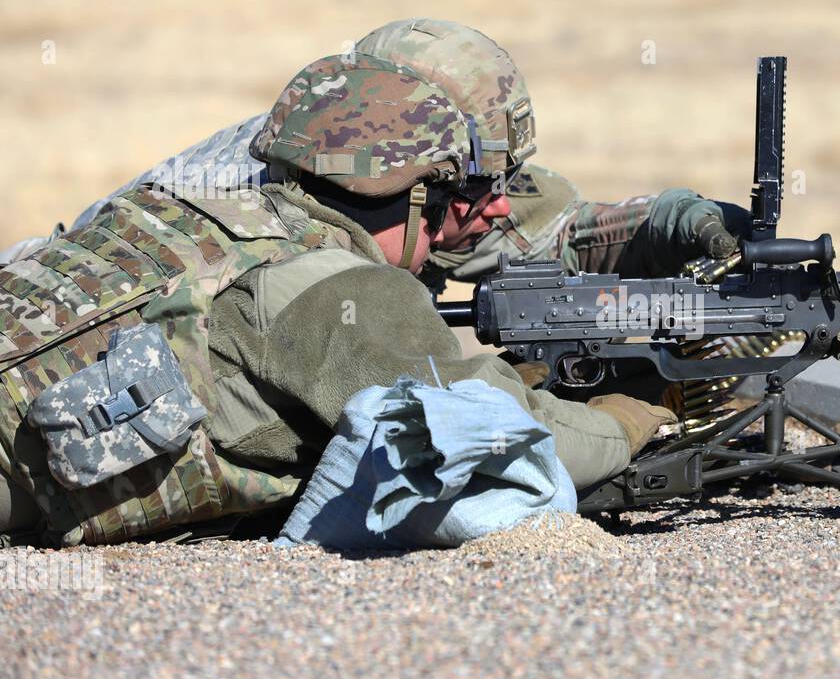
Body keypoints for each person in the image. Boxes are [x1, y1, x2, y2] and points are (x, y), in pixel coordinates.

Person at [0, 50, 708, 546]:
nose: (479, 219)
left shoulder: (200, 210)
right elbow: (507, 436)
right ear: (416, 197)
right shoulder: (344, 289)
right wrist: (631, 414)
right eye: (455, 203)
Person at [1, 19, 745, 291]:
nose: (492, 204)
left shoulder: (400, 171)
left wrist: (679, 224)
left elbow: (552, 237)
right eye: (476, 183)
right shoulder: (269, 207)